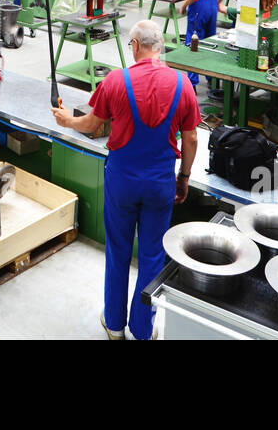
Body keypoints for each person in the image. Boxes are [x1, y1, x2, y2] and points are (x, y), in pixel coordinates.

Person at [52, 20, 201, 341]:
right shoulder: (182, 84)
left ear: (134, 46)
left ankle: (115, 325)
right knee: (151, 256)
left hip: (121, 181)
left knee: (118, 251)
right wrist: (184, 177)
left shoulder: (116, 80)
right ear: (159, 46)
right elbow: (190, 139)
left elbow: (92, 124)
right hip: (160, 182)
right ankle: (143, 330)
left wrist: (67, 119)